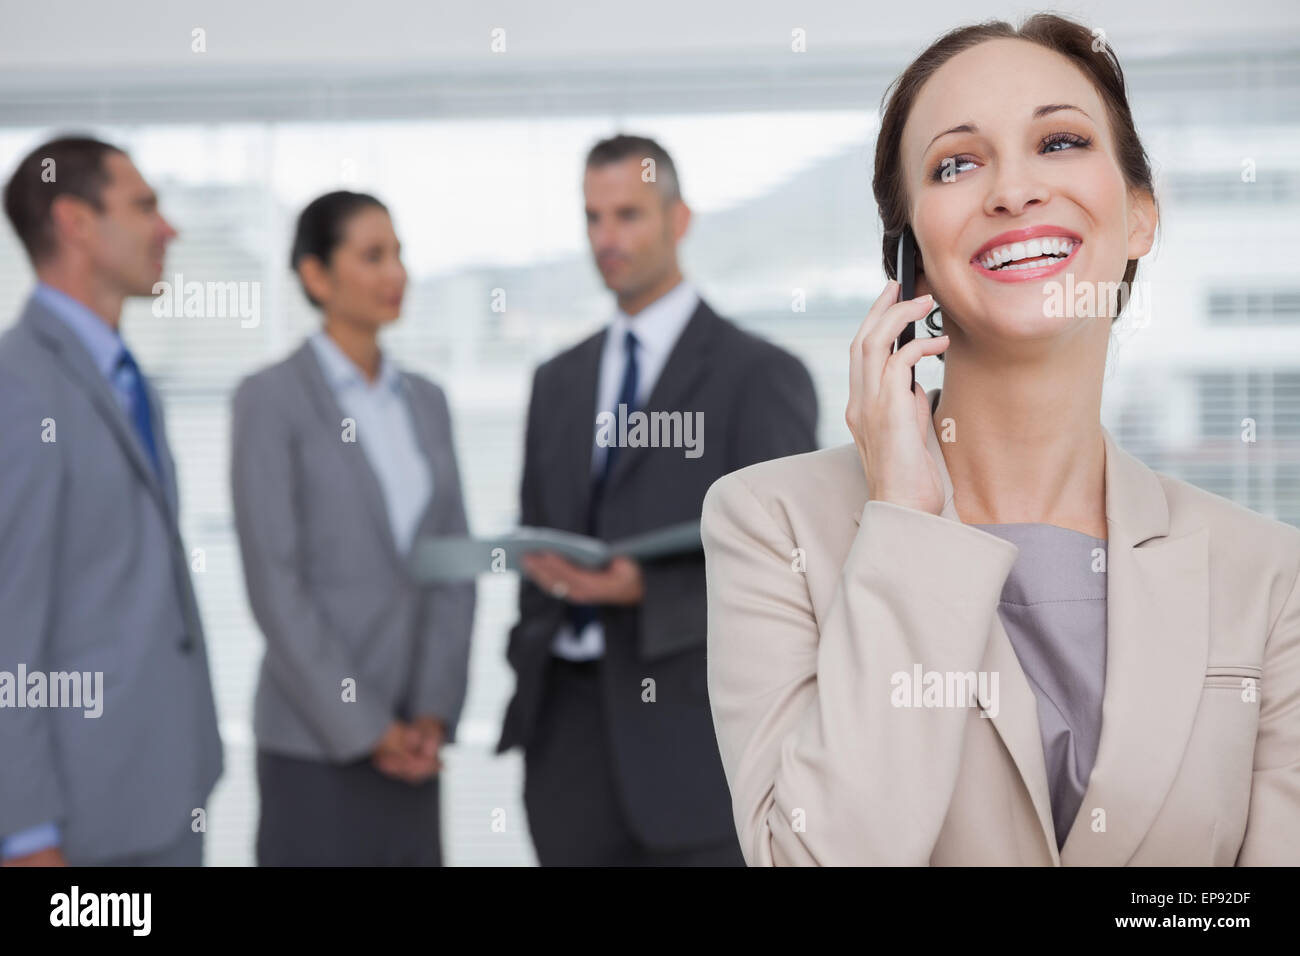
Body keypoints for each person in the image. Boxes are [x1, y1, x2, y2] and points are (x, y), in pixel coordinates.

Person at [701, 13, 1300, 866]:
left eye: (1059, 142)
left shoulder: (1270, 576)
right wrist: (906, 519)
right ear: (909, 257)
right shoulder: (771, 524)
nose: (1014, 190)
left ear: (1138, 219)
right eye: (957, 163)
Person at [497, 134, 819, 865]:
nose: (607, 239)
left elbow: (789, 567)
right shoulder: (557, 381)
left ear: (679, 220)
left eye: (629, 215)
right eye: (593, 218)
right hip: (566, 745)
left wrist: (645, 588)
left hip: (695, 743)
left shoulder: (759, 377)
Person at [230, 191, 475, 866]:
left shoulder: (426, 402)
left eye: (398, 254)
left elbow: (453, 569)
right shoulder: (270, 399)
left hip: (414, 744)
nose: (395, 273)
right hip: (313, 742)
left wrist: (430, 713)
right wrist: (366, 726)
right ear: (316, 275)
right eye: (372, 256)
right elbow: (273, 583)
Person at [0, 136, 223, 866]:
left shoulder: (129, 382)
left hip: (162, 797)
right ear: (76, 222)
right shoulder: (18, 388)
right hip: (78, 828)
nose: (169, 230)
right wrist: (25, 833)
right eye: (145, 206)